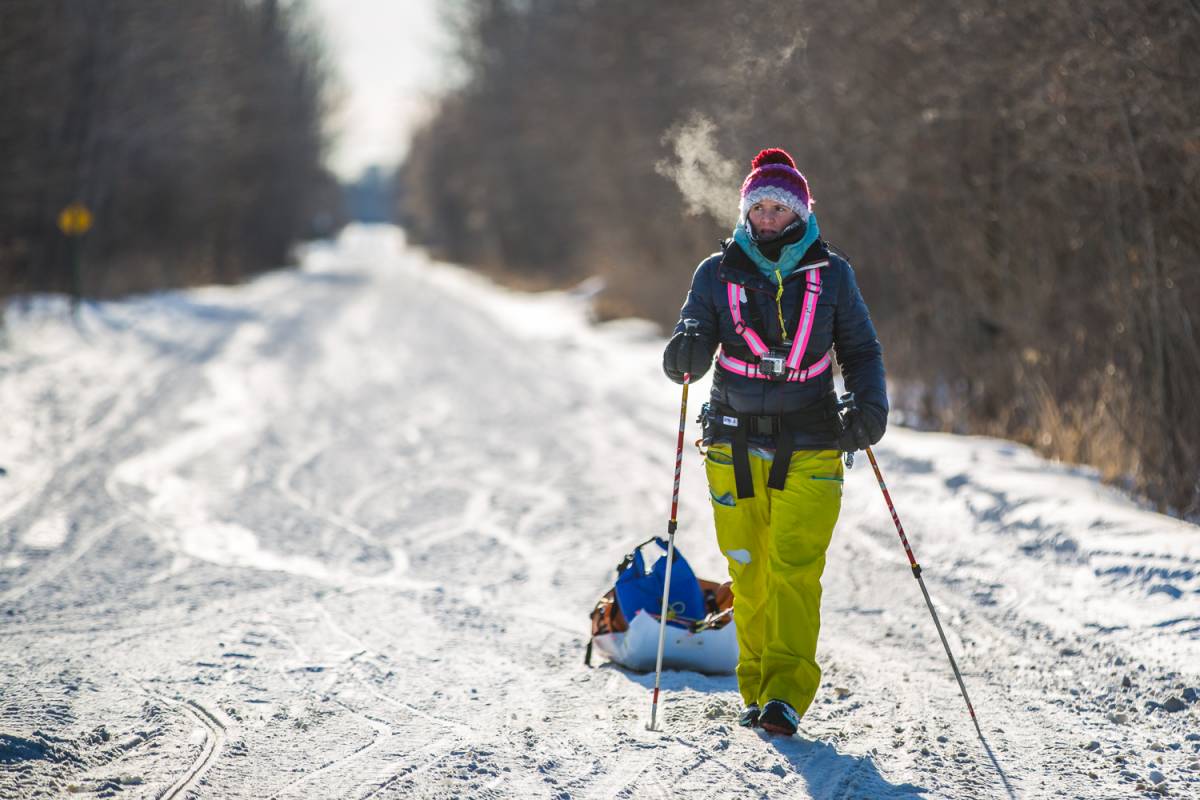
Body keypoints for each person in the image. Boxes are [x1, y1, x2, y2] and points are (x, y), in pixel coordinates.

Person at [662, 148, 888, 736]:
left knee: (794, 570)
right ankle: (756, 687)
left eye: (777, 207)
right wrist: (683, 350)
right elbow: (689, 340)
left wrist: (870, 408)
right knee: (749, 572)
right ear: (744, 210)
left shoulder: (834, 275)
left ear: (800, 213)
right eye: (757, 206)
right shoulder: (714, 274)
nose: (766, 217)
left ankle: (786, 694)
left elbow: (861, 351)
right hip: (731, 445)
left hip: (812, 441)